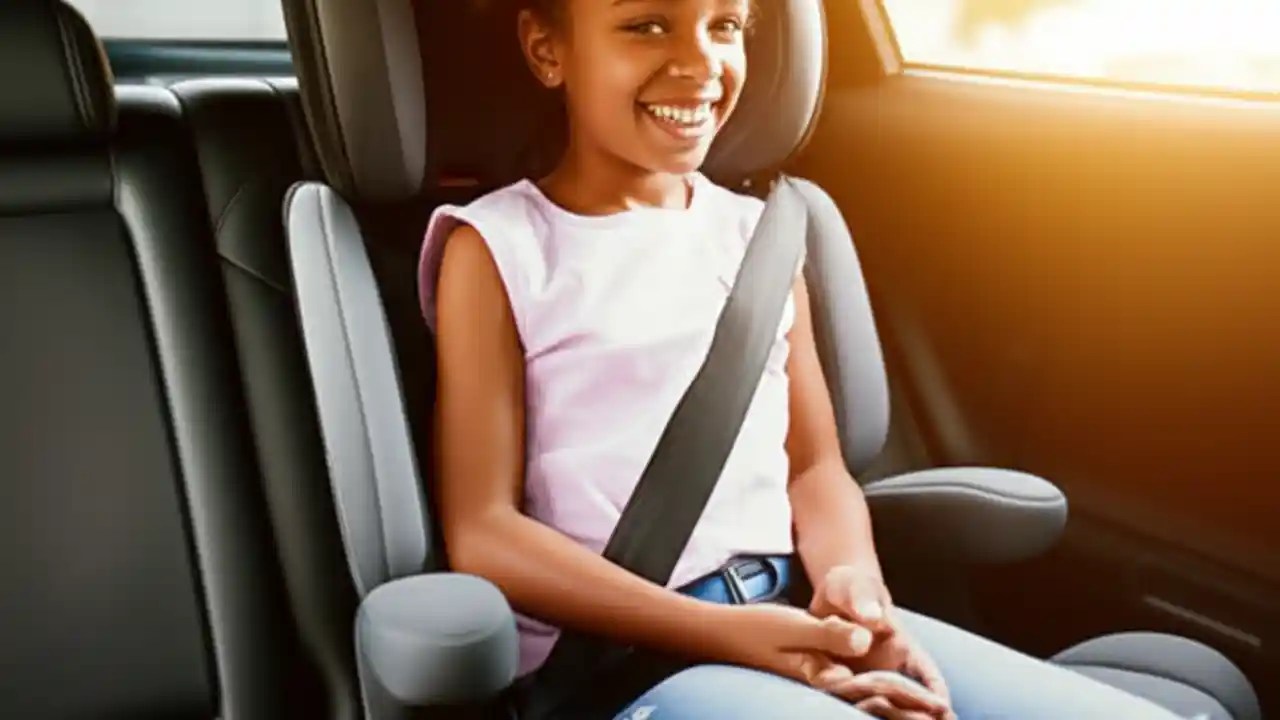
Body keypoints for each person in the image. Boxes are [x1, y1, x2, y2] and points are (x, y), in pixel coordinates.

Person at [417, 1, 1191, 718]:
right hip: (624, 663)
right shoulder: (498, 248)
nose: (699, 61)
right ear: (547, 48)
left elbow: (813, 470)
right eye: (648, 25)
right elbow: (485, 531)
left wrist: (857, 594)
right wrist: (730, 636)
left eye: (726, 26)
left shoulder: (762, 235)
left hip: (791, 619)